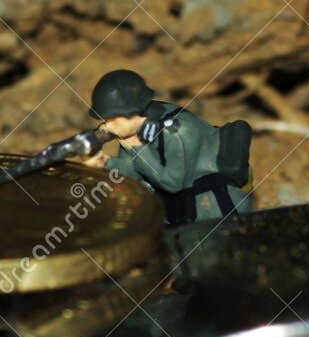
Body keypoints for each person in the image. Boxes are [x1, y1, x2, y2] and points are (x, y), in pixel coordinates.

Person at [84, 69, 253, 265]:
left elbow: (172, 182)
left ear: (131, 113)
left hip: (213, 201)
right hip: (182, 201)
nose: (106, 126)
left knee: (218, 258)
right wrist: (105, 164)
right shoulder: (135, 132)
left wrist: (137, 148)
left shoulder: (178, 132)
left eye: (111, 120)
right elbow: (134, 171)